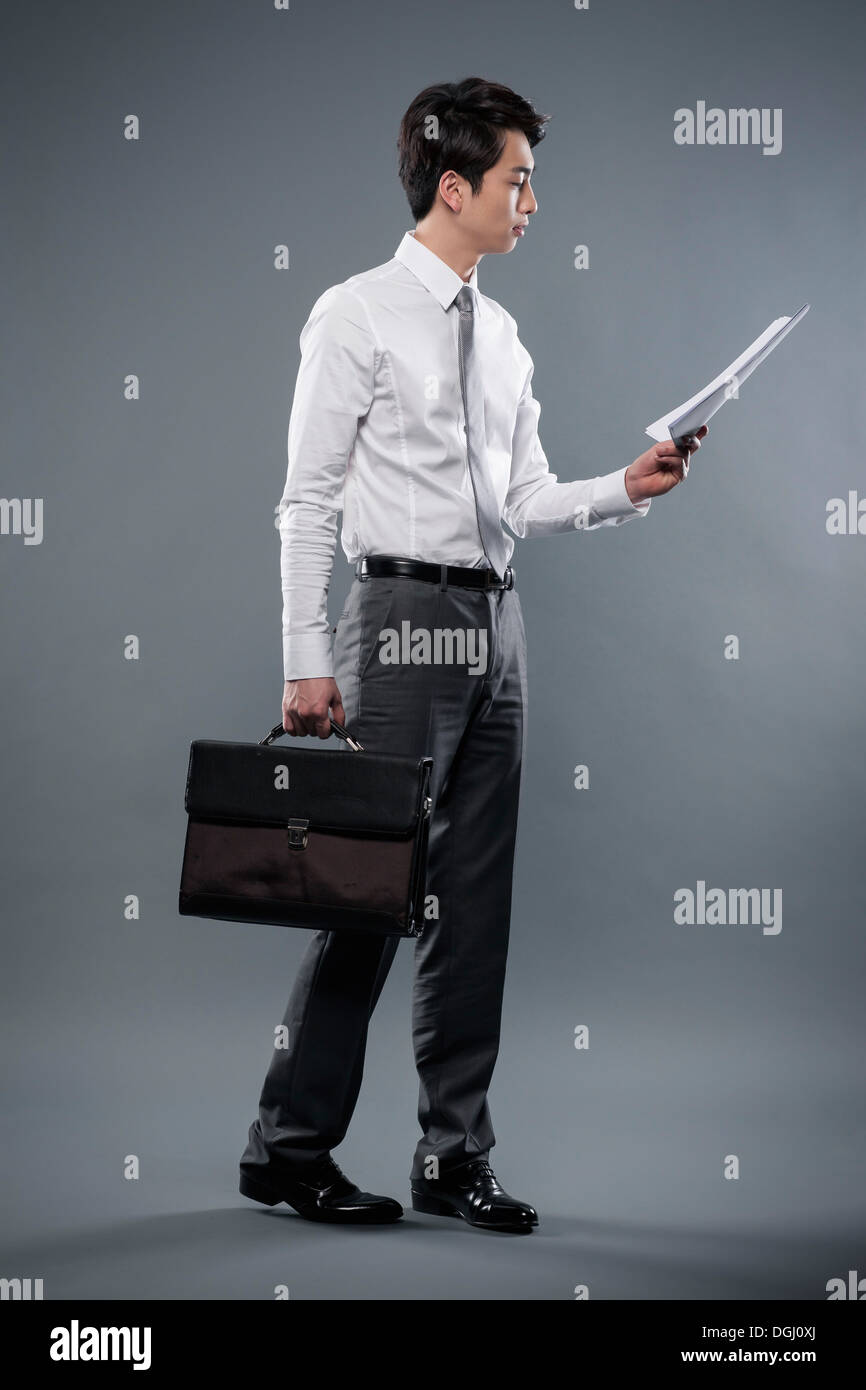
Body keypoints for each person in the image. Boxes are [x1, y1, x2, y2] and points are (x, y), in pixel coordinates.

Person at [239, 76, 707, 1234]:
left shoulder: (498, 334)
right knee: (367, 894)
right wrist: (308, 658)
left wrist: (623, 488)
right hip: (396, 621)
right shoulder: (353, 314)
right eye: (517, 179)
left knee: (471, 904)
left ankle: (453, 1156)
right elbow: (304, 503)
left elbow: (525, 495)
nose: (532, 200)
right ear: (455, 188)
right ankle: (286, 1146)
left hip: (496, 623)